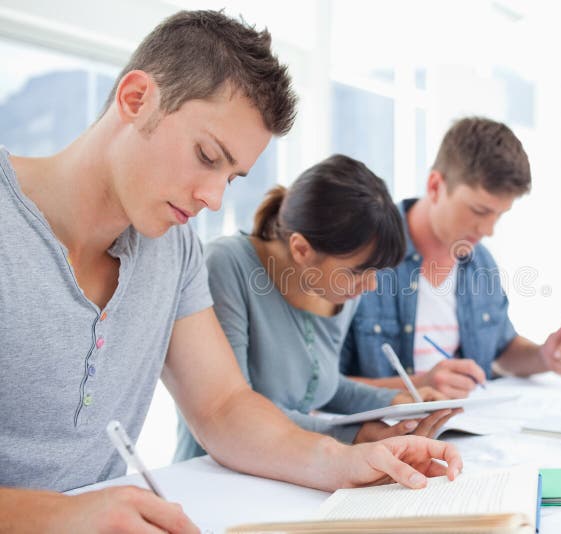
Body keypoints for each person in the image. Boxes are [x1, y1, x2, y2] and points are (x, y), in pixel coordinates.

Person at [0, 11, 460, 533]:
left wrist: (345, 462)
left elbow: (222, 406)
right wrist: (61, 515)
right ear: (135, 99)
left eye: (232, 175)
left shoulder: (173, 251)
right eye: (206, 155)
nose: (214, 199)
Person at [175, 155, 456, 461]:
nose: (371, 286)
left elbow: (324, 387)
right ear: (301, 249)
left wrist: (398, 402)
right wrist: (354, 435)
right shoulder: (226, 266)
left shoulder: (338, 290)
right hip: (212, 476)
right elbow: (237, 412)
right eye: (358, 272)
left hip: (291, 473)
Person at [340, 117, 561, 399]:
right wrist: (421, 385)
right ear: (435, 186)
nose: (488, 230)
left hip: (469, 432)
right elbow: (322, 388)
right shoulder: (362, 254)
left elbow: (502, 349)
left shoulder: (480, 262)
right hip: (388, 437)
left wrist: (545, 357)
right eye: (479, 211)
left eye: (499, 215)